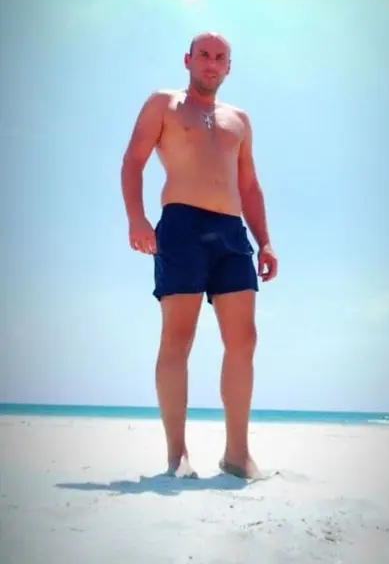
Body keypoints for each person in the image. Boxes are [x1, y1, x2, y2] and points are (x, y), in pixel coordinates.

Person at [120, 32, 278, 479]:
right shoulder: (164, 104)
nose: (211, 62)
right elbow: (133, 161)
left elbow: (249, 185)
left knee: (244, 339)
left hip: (231, 231)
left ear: (229, 66)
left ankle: (237, 454)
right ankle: (178, 456)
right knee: (178, 337)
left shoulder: (239, 120)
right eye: (204, 55)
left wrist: (264, 240)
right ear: (188, 60)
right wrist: (137, 218)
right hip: (182, 224)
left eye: (220, 57)